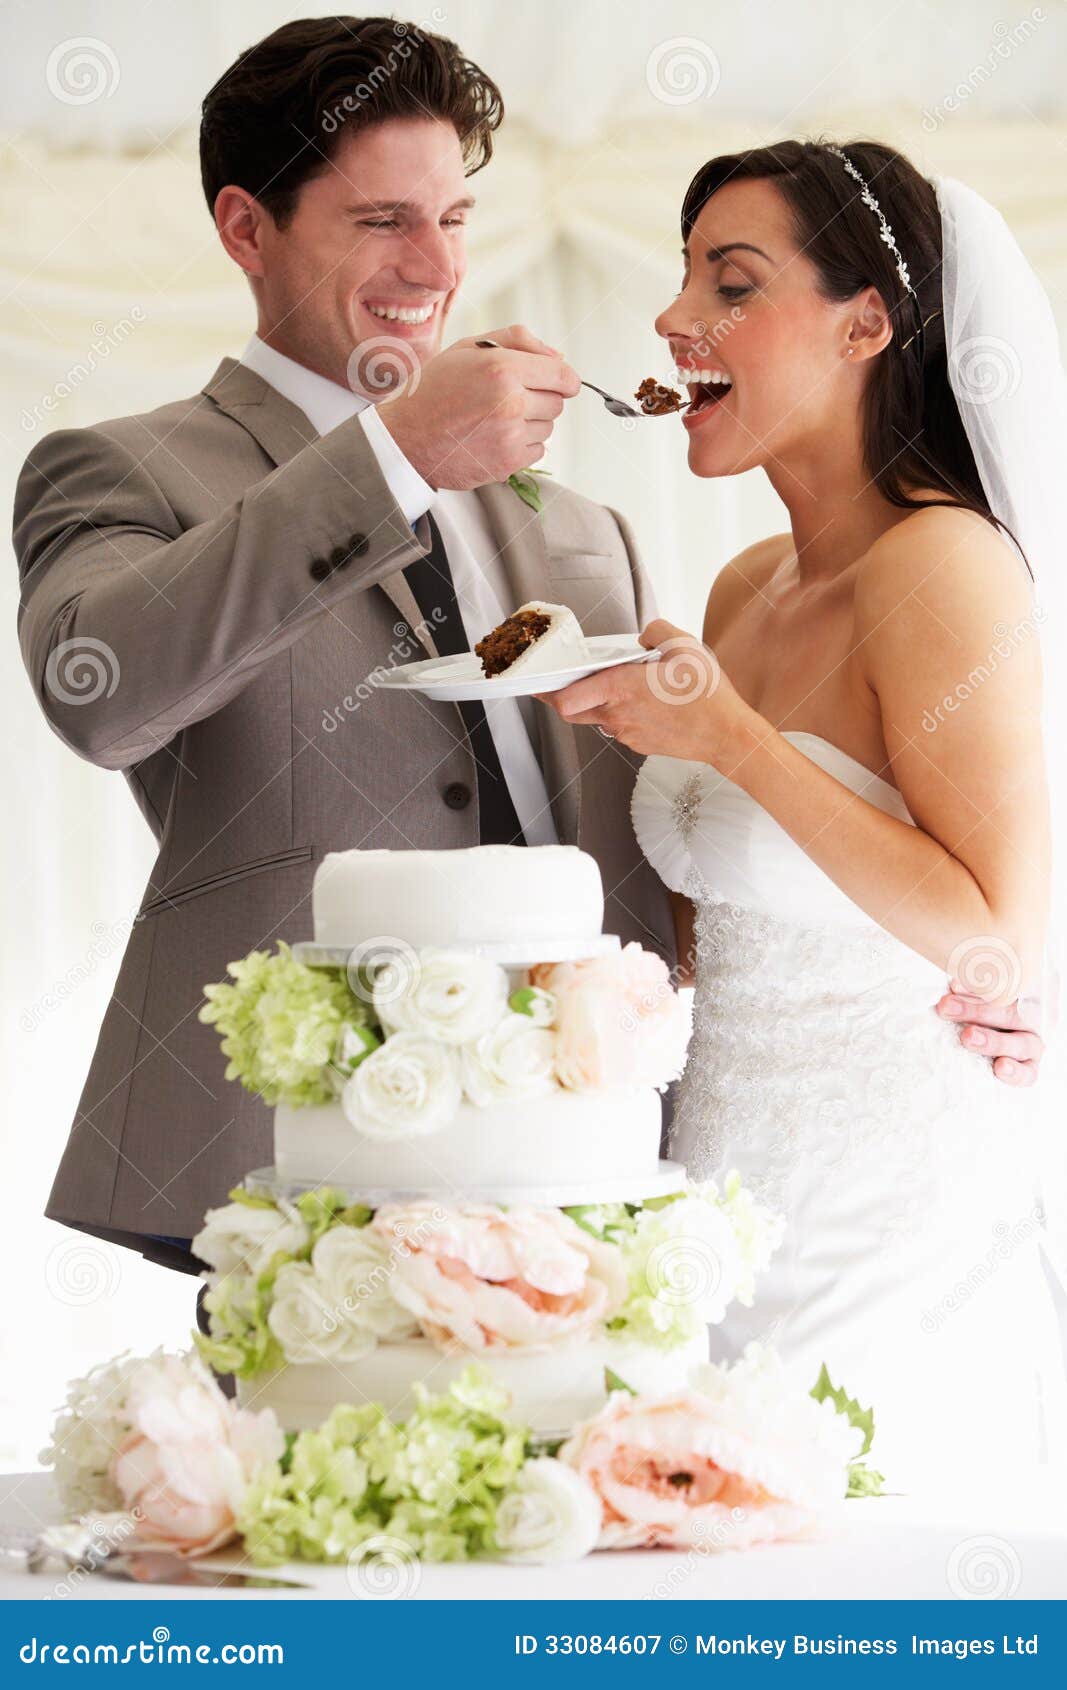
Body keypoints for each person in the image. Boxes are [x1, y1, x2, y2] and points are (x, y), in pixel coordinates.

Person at [12, 15, 674, 1283]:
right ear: (245, 228)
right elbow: (97, 697)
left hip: (578, 1150)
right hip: (292, 1153)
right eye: (381, 221)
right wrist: (391, 456)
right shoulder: (120, 470)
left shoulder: (588, 530)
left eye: (455, 217)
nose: (432, 265)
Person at [540, 139, 1065, 1481]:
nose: (671, 320)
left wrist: (724, 734)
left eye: (728, 282)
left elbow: (996, 935)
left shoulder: (940, 565)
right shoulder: (741, 586)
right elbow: (716, 928)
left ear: (863, 322)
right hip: (712, 1198)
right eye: (676, 279)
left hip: (893, 1220)